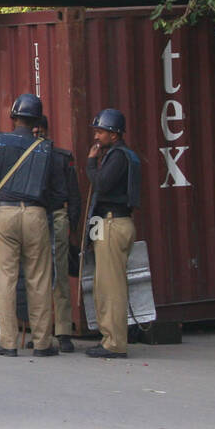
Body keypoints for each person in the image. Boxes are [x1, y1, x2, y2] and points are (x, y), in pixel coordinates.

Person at [0, 93, 65, 357]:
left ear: (13, 117)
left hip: (3, 214)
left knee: (5, 279)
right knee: (39, 278)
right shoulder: (46, 148)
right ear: (37, 120)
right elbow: (56, 192)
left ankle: (8, 342)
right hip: (36, 214)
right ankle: (42, 343)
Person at [85, 108, 140, 359]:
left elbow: (102, 184)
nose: (97, 135)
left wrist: (90, 162)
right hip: (111, 223)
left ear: (115, 135)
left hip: (112, 223)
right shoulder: (121, 155)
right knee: (105, 285)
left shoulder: (118, 157)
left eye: (101, 131)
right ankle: (109, 337)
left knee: (112, 287)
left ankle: (115, 342)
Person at [33, 116, 82, 352]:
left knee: (59, 275)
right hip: (37, 216)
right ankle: (43, 331)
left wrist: (73, 221)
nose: (37, 134)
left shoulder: (61, 157)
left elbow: (74, 192)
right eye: (34, 130)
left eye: (40, 130)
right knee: (39, 277)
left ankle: (62, 331)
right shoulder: (29, 157)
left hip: (56, 215)